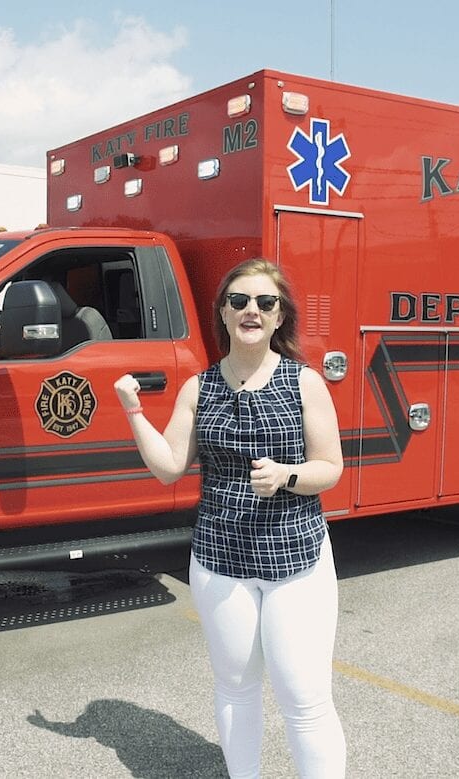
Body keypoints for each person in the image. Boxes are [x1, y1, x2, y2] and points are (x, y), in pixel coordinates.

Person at [114, 258, 346, 778]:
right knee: (235, 689)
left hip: (296, 560)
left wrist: (287, 475)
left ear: (280, 316)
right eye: (239, 300)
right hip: (220, 561)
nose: (251, 310)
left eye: (266, 302)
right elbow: (169, 467)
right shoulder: (198, 388)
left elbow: (330, 467)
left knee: (303, 698)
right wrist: (132, 410)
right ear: (222, 311)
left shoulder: (303, 382)